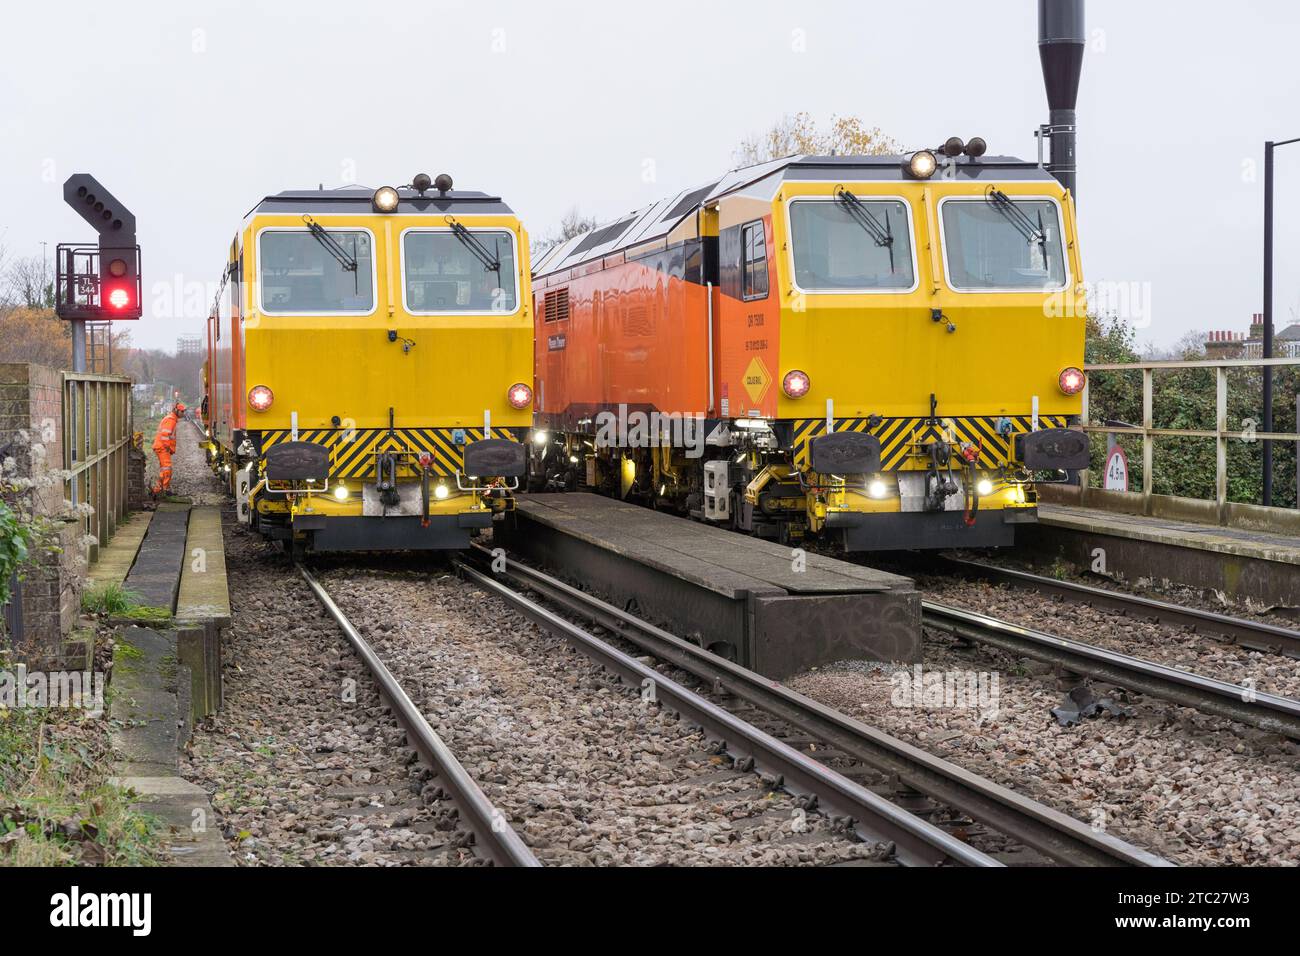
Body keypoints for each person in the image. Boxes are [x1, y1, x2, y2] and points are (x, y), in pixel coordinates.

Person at [150, 402, 186, 495]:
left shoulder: (171, 419)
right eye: (182, 411)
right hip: (162, 448)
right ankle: (164, 490)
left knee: (164, 469)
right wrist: (167, 447)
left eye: (184, 411)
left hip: (161, 447)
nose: (183, 413)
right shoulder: (171, 420)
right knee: (167, 469)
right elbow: (165, 435)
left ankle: (159, 489)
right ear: (176, 410)